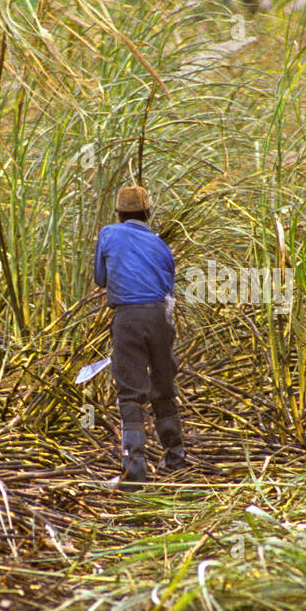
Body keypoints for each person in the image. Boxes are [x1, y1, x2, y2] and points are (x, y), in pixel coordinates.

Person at [93, 185, 185, 486]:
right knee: (163, 385)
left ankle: (135, 469)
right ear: (149, 213)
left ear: (119, 214)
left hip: (128, 319)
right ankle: (175, 457)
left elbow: (100, 279)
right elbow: (169, 290)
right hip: (161, 316)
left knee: (130, 393)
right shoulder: (161, 245)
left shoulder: (108, 234)